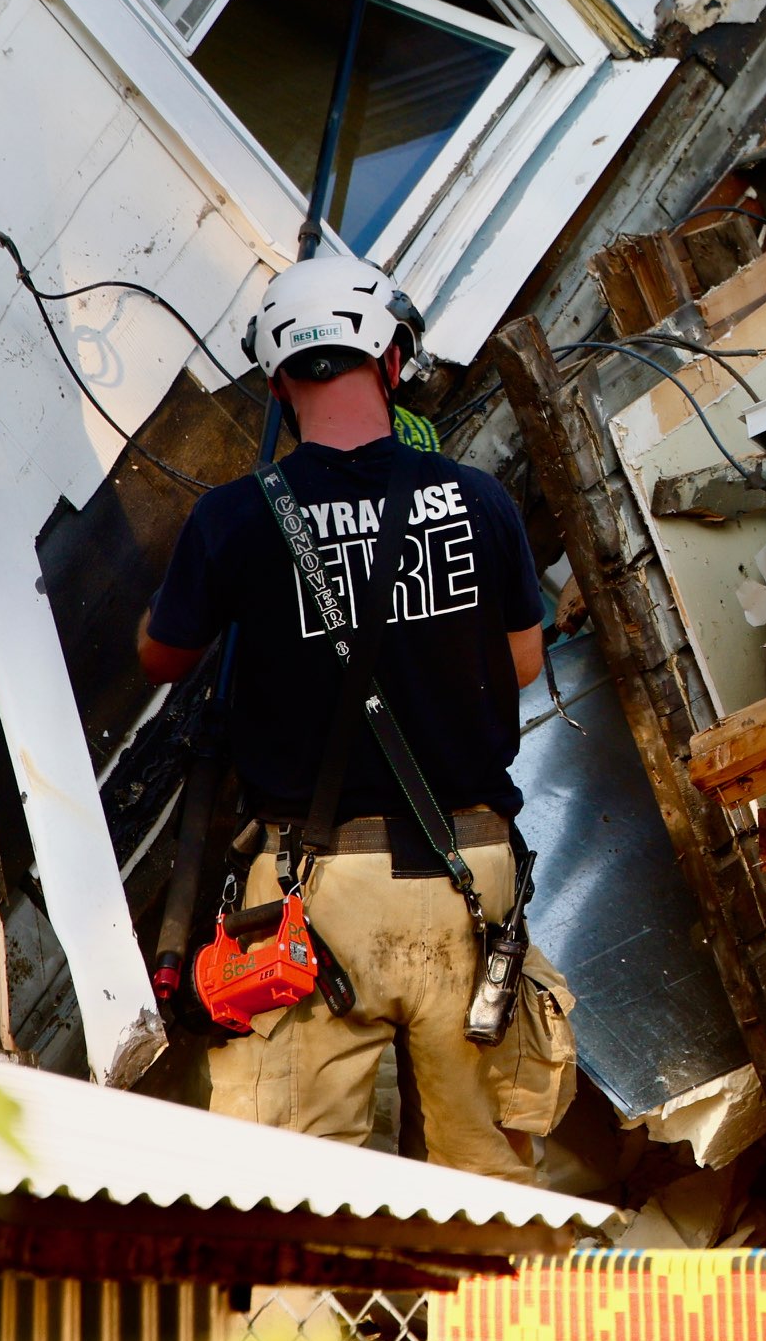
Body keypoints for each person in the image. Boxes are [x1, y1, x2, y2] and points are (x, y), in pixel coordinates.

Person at [138, 252, 566, 1180]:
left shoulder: (232, 521)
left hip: (311, 895)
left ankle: (301, 1327)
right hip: (473, 885)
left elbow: (161, 657)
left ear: (278, 379)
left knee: (293, 1193)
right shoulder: (478, 502)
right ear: (394, 360)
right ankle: (492, 1323)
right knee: (491, 1190)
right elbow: (524, 663)